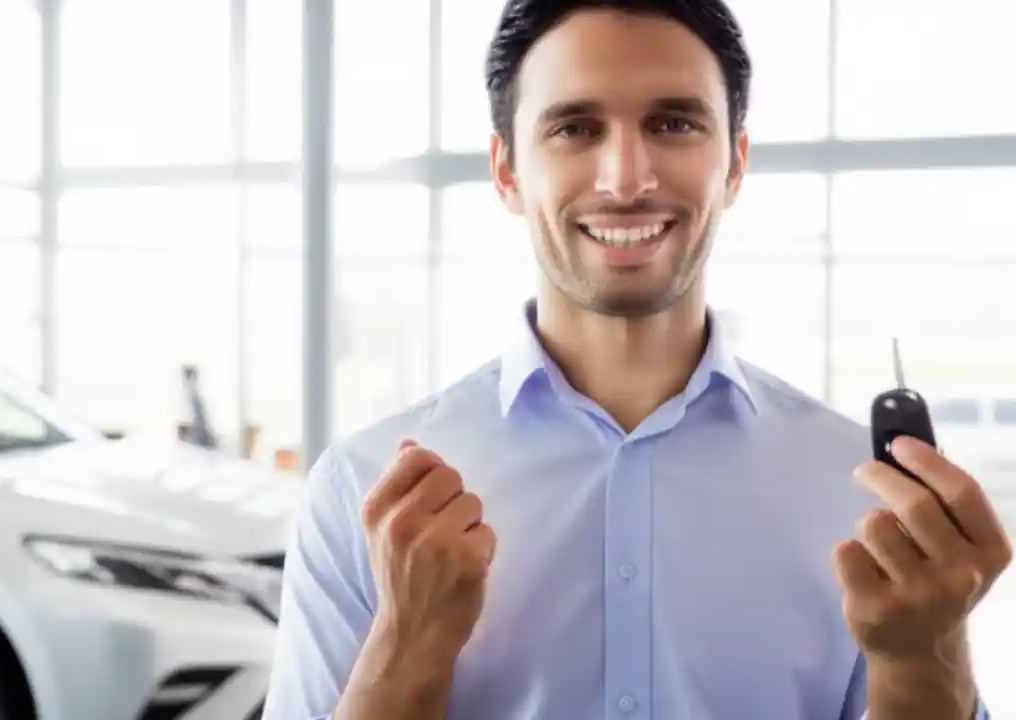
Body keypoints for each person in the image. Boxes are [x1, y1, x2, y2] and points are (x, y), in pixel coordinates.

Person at [264, 1, 1012, 718]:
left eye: (675, 123)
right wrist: (404, 648)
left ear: (735, 164)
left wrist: (927, 659)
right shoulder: (361, 495)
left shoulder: (861, 494)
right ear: (507, 172)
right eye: (576, 127)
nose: (626, 179)